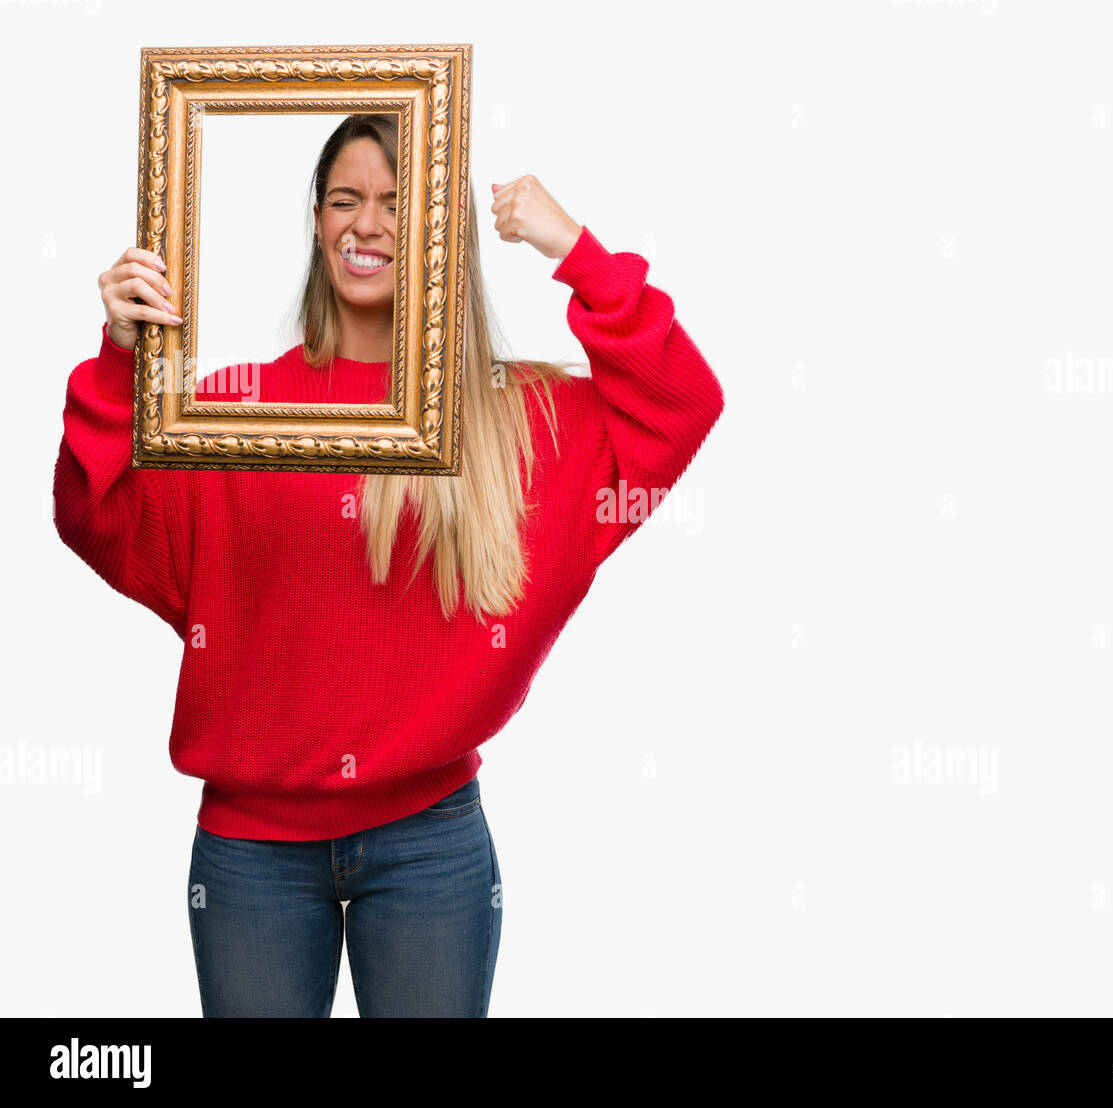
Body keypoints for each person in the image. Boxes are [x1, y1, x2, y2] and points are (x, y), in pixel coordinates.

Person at [52, 113, 725, 1017]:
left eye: (395, 205)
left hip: (431, 850)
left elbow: (681, 406)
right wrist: (118, 358)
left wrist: (577, 251)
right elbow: (96, 519)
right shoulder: (233, 412)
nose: (365, 224)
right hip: (249, 857)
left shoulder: (512, 424)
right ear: (318, 223)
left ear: (440, 235)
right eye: (344, 200)